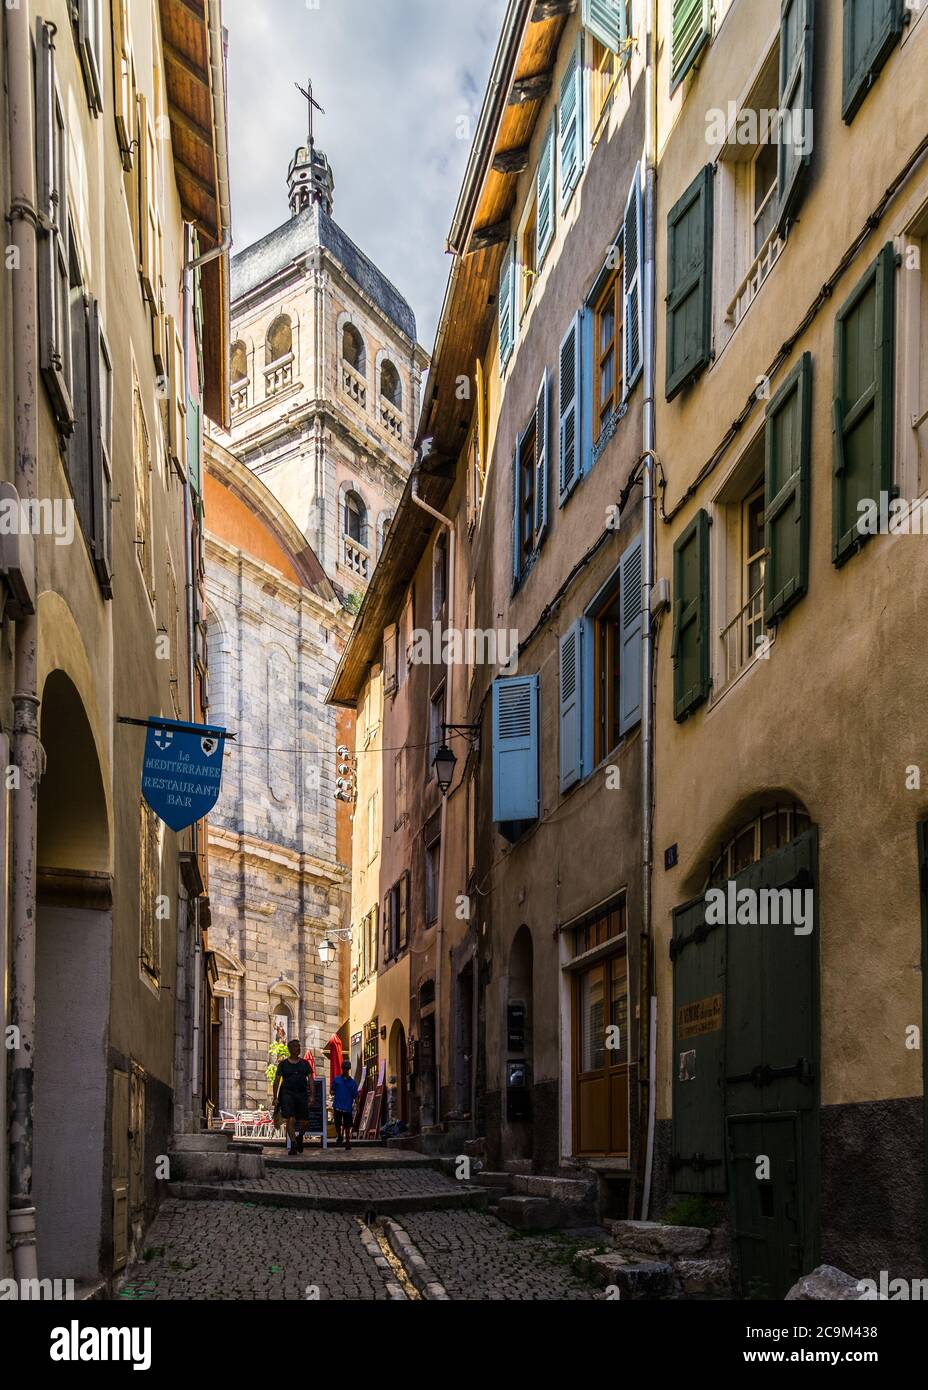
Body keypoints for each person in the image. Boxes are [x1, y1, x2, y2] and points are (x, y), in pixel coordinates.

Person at [273, 1038, 313, 1156]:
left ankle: (300, 1137)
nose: (298, 1048)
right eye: (295, 1046)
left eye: (299, 1046)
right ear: (290, 1049)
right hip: (287, 1093)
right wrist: (275, 1097)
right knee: (291, 1119)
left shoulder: (305, 1064)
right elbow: (276, 1081)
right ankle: (294, 1144)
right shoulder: (283, 1064)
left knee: (305, 1122)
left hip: (302, 1094)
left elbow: (311, 1080)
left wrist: (312, 1096)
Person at [330, 1059, 358, 1150]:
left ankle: (347, 1142)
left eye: (346, 1068)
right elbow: (332, 1091)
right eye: (344, 1068)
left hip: (347, 1107)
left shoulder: (352, 1083)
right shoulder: (337, 1080)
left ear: (349, 1069)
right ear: (342, 1068)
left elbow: (355, 1095)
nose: (345, 1070)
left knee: (347, 1125)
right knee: (337, 1124)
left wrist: (357, 1105)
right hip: (337, 1106)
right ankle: (339, 1136)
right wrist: (333, 1092)